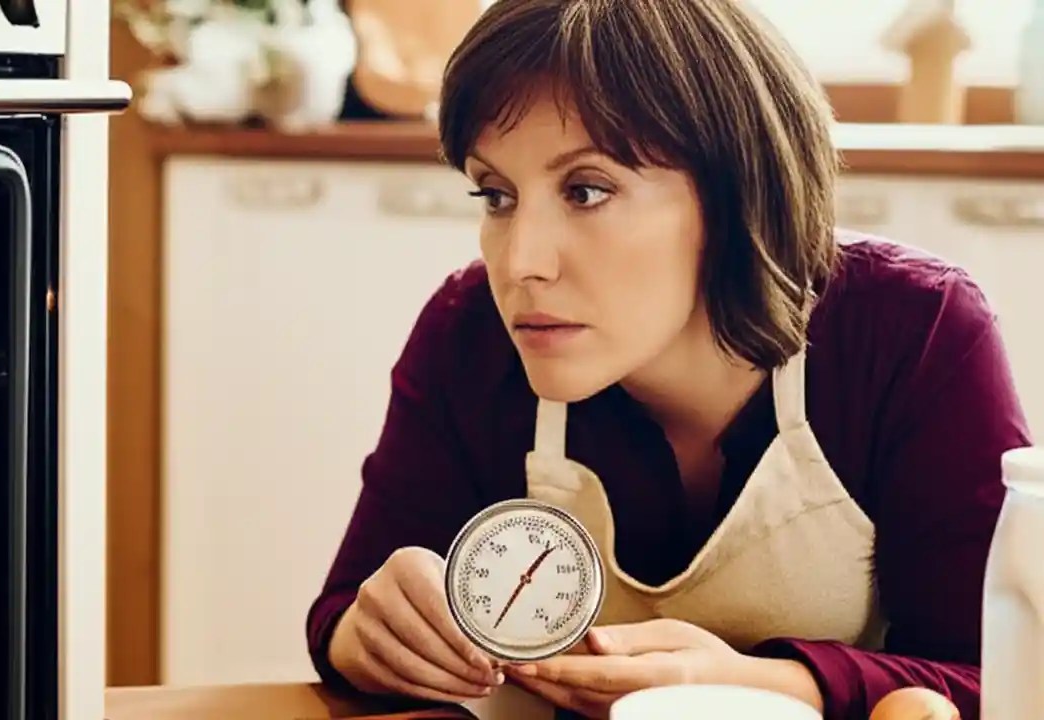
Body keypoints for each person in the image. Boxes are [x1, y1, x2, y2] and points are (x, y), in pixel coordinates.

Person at [305, 0, 1032, 718]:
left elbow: (1009, 681)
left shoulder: (914, 330)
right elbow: (342, 617)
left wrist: (766, 685)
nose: (520, 261)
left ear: (738, 191)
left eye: (586, 190)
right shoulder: (468, 334)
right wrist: (366, 635)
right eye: (496, 195)